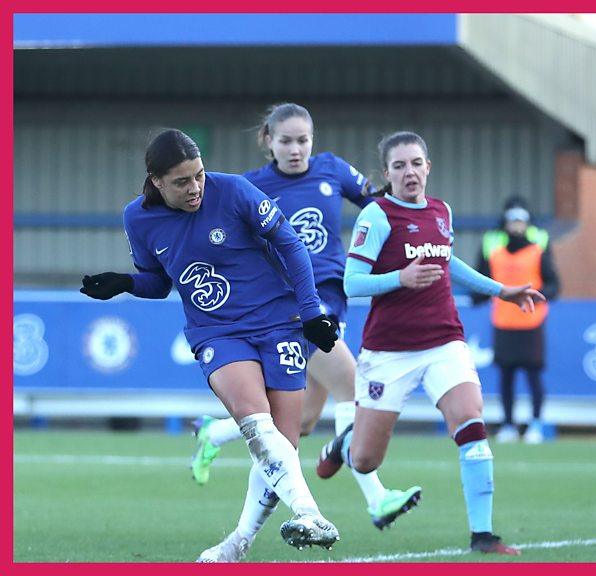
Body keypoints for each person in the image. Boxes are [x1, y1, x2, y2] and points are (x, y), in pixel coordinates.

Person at [80, 129, 341, 562]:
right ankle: (310, 512)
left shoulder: (235, 191)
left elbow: (291, 244)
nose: (195, 187)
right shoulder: (138, 218)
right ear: (156, 181)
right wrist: (125, 283)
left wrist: (311, 311)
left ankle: (236, 544)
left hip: (279, 323)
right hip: (217, 332)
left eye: (198, 175)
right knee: (255, 420)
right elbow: (159, 281)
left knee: (283, 447)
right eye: (181, 182)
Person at [188, 103, 421, 530]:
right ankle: (377, 498)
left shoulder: (332, 170)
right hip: (295, 307)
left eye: (303, 140)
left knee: (300, 423)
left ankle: (216, 433)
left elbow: (379, 204)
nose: (296, 149)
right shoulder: (251, 185)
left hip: (334, 300)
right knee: (353, 387)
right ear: (268, 142)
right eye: (286, 141)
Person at [318, 131, 542, 555]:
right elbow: (350, 282)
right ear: (386, 174)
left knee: (471, 420)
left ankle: (482, 536)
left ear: (428, 167)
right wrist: (399, 279)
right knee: (366, 460)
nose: (410, 173)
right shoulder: (377, 215)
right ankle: (343, 444)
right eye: (399, 166)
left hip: (444, 341)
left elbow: (446, 259)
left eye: (416, 163)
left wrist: (502, 290)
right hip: (389, 353)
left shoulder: (441, 211)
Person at [473, 198, 559, 444]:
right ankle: (508, 424)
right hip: (503, 321)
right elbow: (483, 282)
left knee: (533, 376)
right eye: (513, 222)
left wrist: (541, 298)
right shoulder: (496, 252)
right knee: (506, 377)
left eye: (521, 222)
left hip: (531, 322)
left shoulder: (536, 250)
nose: (517, 226)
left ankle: (535, 424)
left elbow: (554, 283)